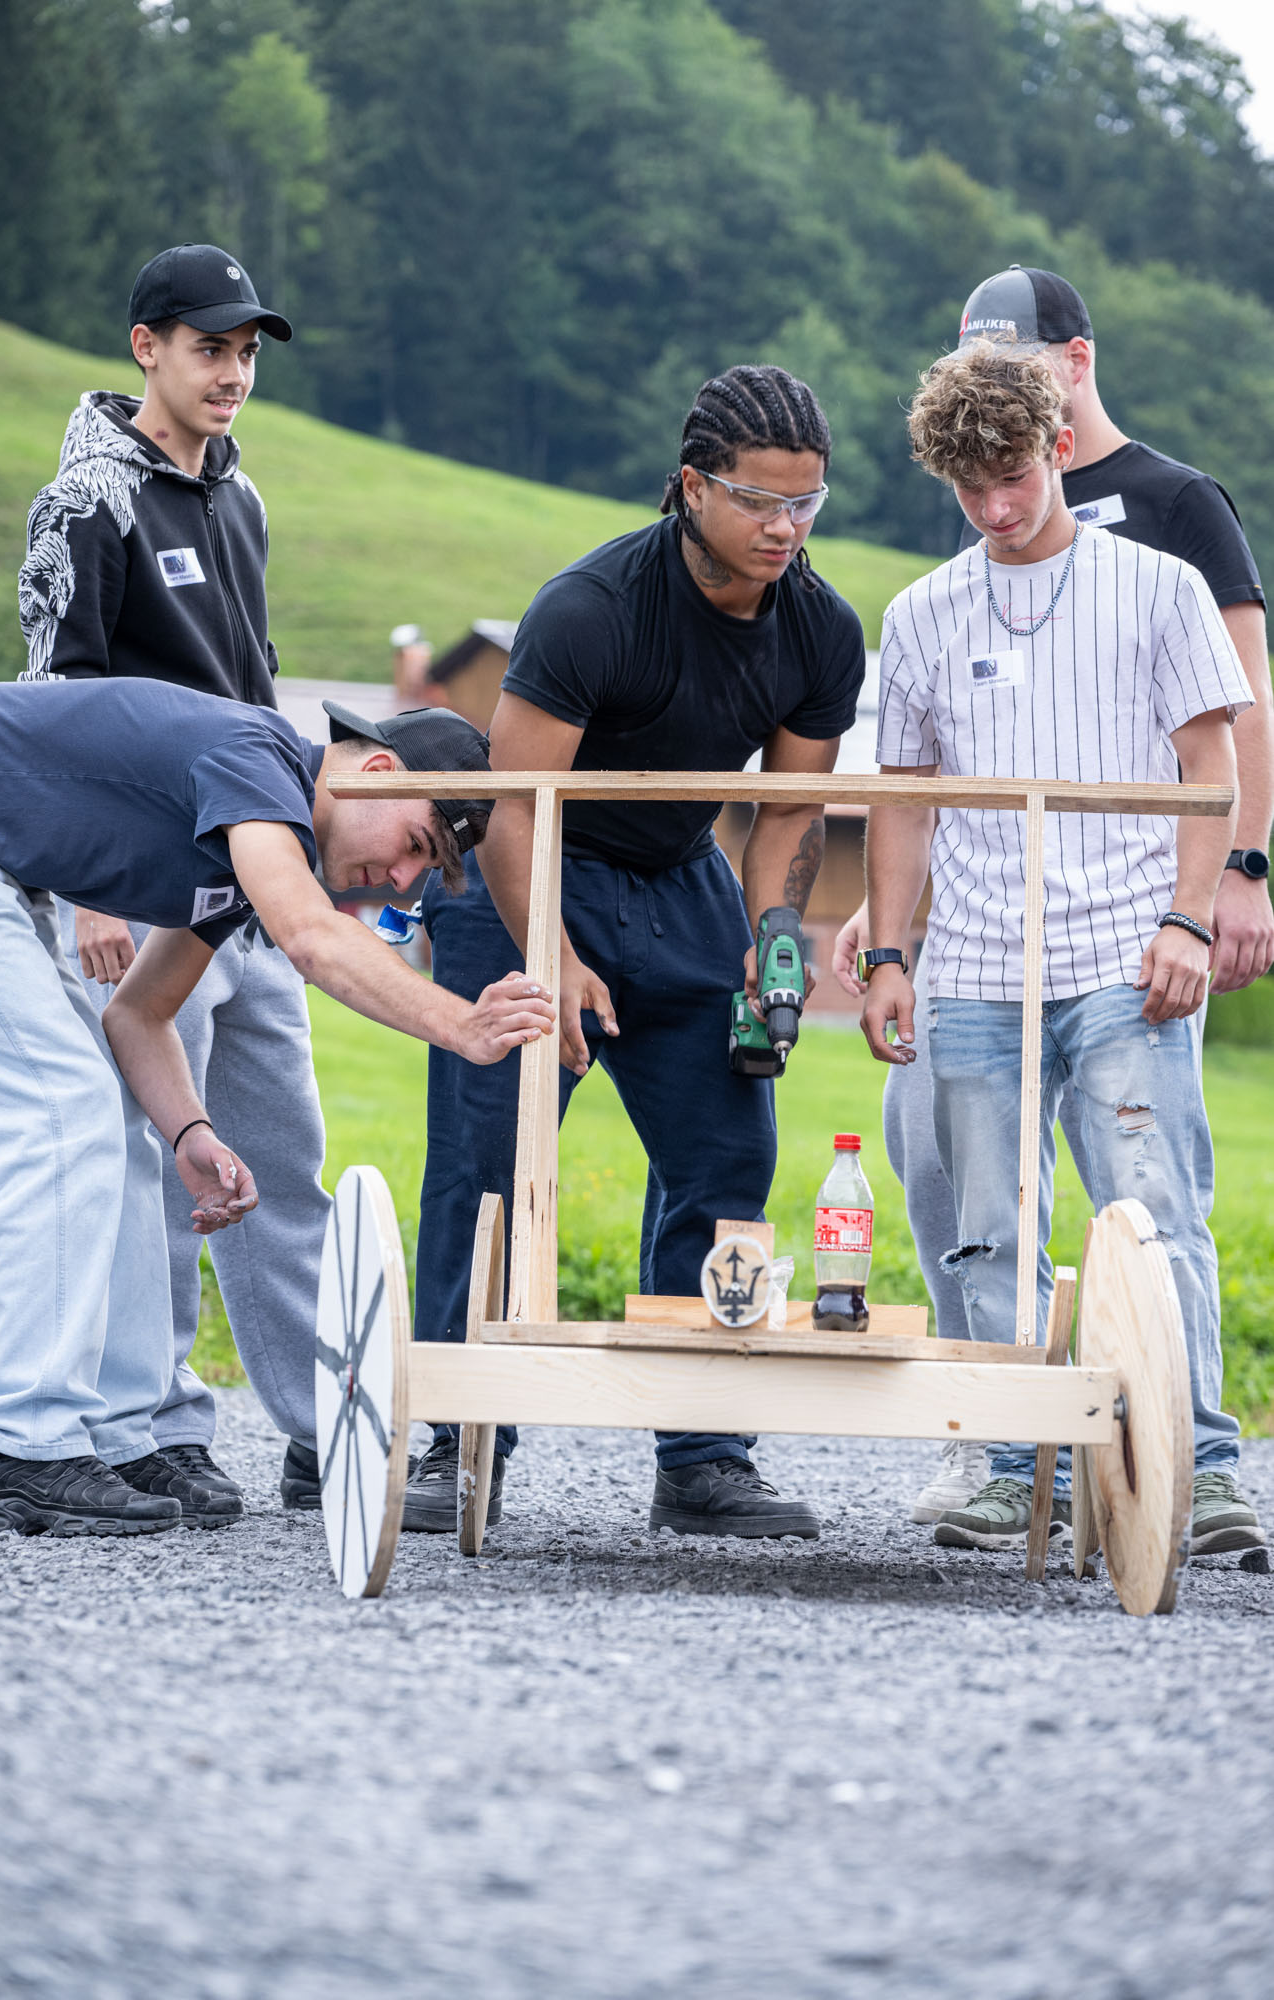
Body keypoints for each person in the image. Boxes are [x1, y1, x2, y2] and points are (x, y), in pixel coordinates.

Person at [834, 266, 1273, 1537]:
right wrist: (893, 951)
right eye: (969, 488)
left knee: (1152, 1210)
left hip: (1122, 954)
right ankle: (1014, 1459)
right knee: (980, 1225)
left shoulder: (1162, 581)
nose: (995, 506)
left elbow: (1213, 766)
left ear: (1057, 443)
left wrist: (1194, 915)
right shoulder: (920, 611)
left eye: (1013, 476)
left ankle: (1202, 1467)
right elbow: (902, 799)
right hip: (970, 960)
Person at [406, 365, 866, 1540]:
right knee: (487, 1164)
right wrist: (551, 954)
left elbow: (785, 819)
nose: (783, 528)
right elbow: (513, 808)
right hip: (531, 875)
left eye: (806, 504)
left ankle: (702, 1456)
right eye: (759, 501)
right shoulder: (594, 607)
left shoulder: (818, 626)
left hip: (680, 880)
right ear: (690, 486)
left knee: (725, 1160)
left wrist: (772, 935)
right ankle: (453, 1438)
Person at [0, 678, 553, 1538]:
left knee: (115, 1132)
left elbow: (139, 1012)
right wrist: (464, 1024)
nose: (404, 879)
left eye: (424, 872)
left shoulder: (239, 853)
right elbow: (310, 938)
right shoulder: (257, 759)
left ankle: (113, 1440)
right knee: (57, 1116)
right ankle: (23, 1451)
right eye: (416, 843)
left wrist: (190, 1132)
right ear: (374, 769)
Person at [17, 242, 326, 1517]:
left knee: (284, 1145)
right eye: (211, 348)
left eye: (247, 352)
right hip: (135, 876)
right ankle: (150, 1423)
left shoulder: (239, 500)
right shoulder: (86, 500)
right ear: (146, 344)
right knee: (160, 1147)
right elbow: (54, 698)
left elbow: (251, 689)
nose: (232, 374)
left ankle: (325, 1422)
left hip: (245, 876)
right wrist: (86, 889)